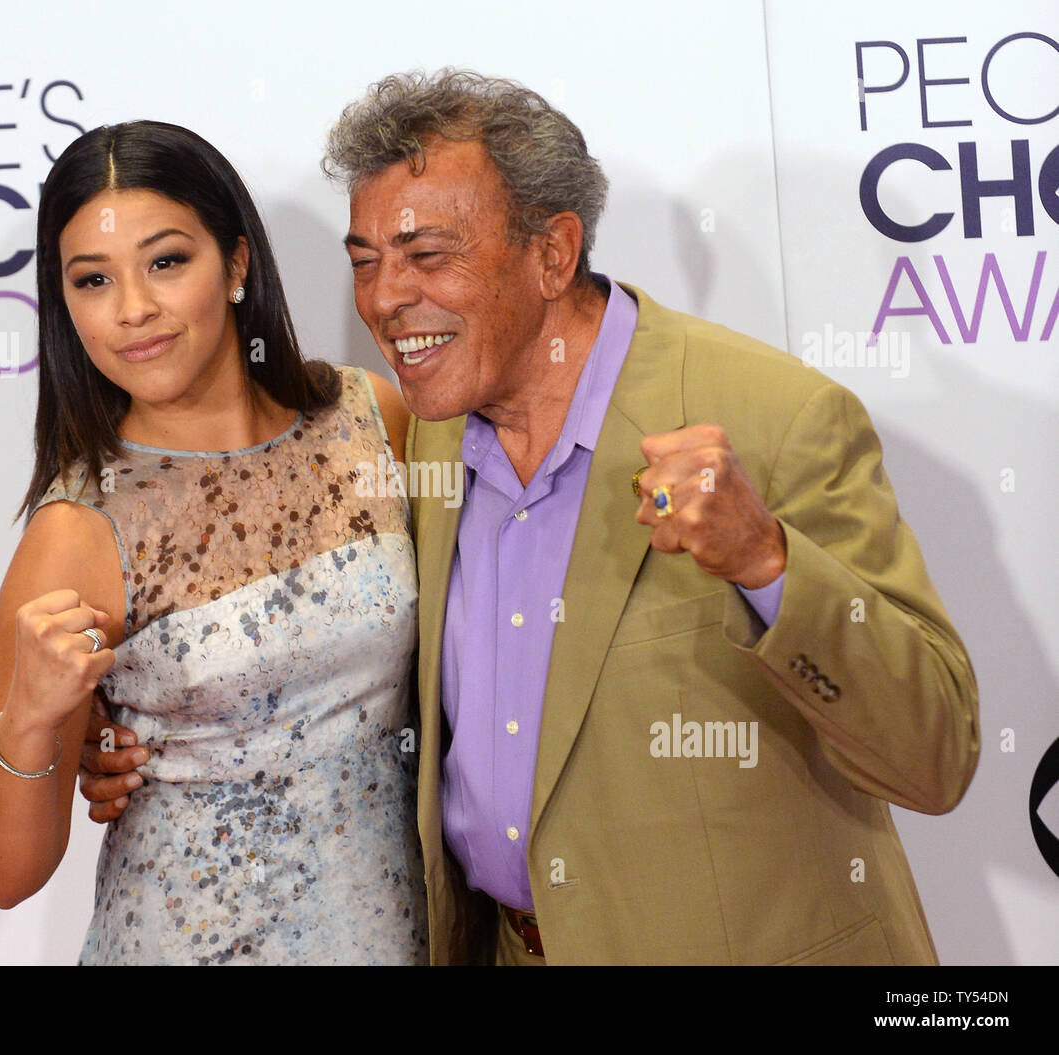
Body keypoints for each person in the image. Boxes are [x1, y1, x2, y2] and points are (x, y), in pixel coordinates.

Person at [81, 71, 980, 966]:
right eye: (365, 260)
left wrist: (768, 561)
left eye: (427, 255)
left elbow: (935, 755)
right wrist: (138, 729)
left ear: (553, 253)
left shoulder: (777, 416)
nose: (385, 298)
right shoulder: (417, 442)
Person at [0, 120, 427, 965]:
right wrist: (31, 717)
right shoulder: (78, 531)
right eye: (93, 279)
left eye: (167, 261)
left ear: (237, 263)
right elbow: (4, 873)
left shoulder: (370, 419)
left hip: (393, 935)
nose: (133, 308)